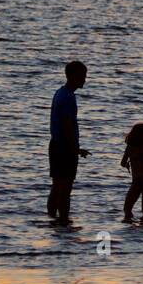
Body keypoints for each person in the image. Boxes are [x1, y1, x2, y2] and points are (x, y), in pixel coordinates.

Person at [48, 60, 90, 221]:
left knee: (57, 186)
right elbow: (67, 125)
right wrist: (75, 148)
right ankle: (63, 220)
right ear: (72, 76)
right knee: (65, 188)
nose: (84, 80)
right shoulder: (68, 98)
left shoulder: (61, 93)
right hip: (64, 147)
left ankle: (52, 219)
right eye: (82, 76)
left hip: (57, 145)